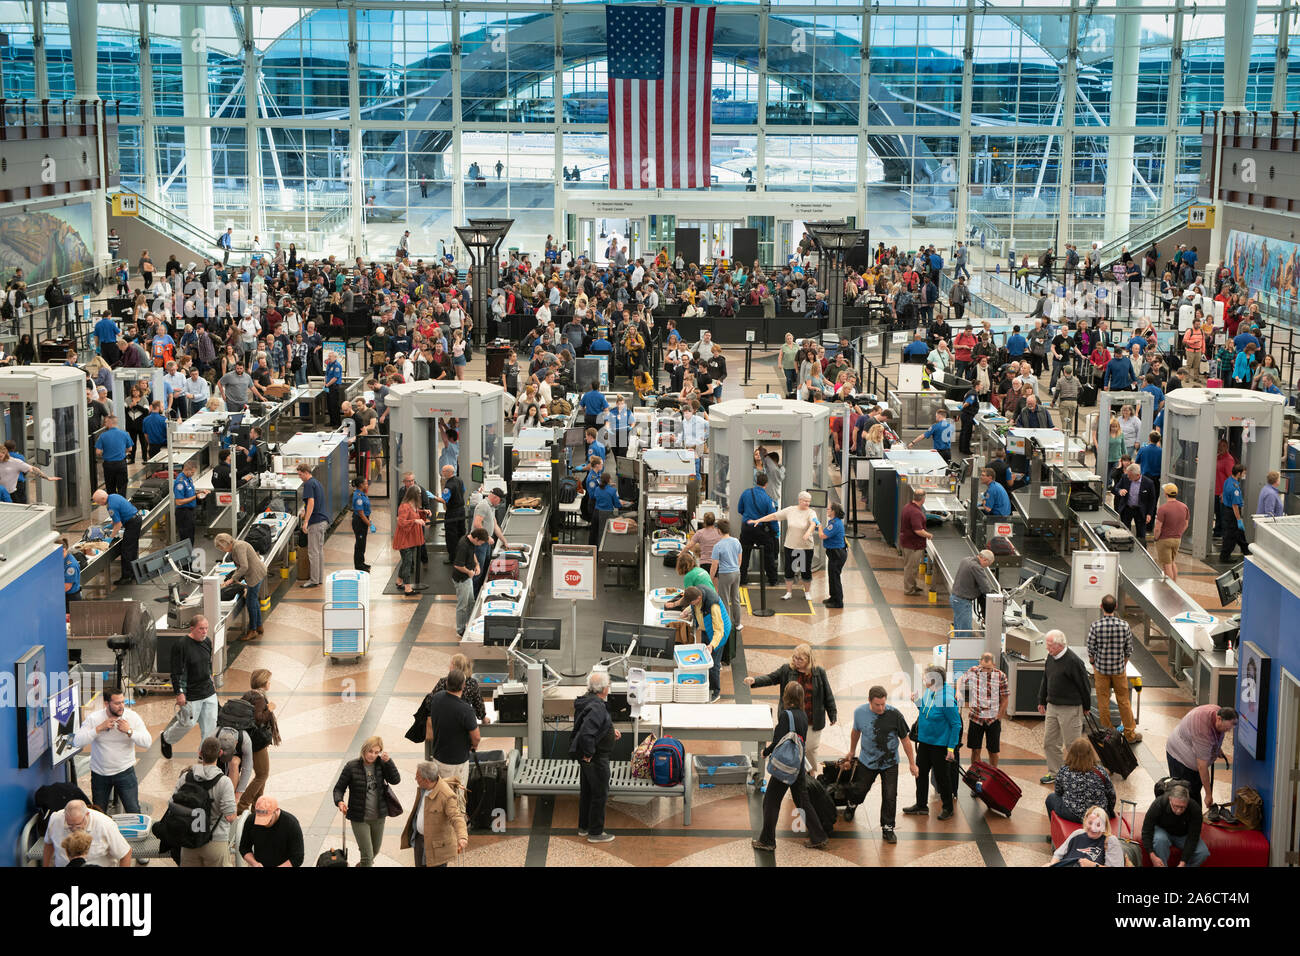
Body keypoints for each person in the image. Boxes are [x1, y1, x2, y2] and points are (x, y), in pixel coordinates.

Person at [753, 681, 829, 852]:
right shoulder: (802, 715)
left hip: (786, 767)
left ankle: (767, 840)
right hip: (798, 764)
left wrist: (766, 751)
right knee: (802, 800)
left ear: (786, 696)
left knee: (771, 802)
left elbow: (778, 739)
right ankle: (819, 836)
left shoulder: (786, 715)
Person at [841, 685, 917, 845]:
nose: (881, 708)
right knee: (860, 789)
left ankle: (888, 827)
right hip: (867, 760)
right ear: (869, 701)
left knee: (890, 795)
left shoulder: (895, 714)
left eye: (883, 704)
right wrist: (851, 751)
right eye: (877, 705)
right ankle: (852, 804)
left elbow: (905, 740)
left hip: (890, 763)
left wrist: (912, 763)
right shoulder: (859, 713)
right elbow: (856, 732)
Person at [744, 644, 836, 769]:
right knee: (789, 747)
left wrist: (832, 713)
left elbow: (827, 694)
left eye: (800, 659)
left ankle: (811, 773)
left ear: (809, 660)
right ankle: (791, 772)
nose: (796, 661)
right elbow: (771, 678)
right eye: (795, 658)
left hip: (812, 720)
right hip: (792, 719)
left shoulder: (819, 672)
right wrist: (755, 680)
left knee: (810, 749)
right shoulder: (787, 670)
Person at [71, 685, 152, 814]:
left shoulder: (132, 717)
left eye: (123, 702)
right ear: (106, 703)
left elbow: (147, 742)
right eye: (117, 703)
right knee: (99, 814)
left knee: (133, 810)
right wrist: (98, 729)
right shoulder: (95, 718)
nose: (121, 706)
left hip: (125, 772)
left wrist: (129, 731)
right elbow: (77, 741)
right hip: (100, 775)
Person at [902, 665, 961, 820]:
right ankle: (921, 805)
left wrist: (951, 748)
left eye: (926, 677)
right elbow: (926, 710)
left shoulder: (947, 699)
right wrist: (917, 701)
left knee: (942, 778)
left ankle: (948, 808)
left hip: (940, 745)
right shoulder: (929, 691)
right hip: (925, 741)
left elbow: (956, 724)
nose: (923, 679)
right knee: (920, 773)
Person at [333, 736, 402, 867]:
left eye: (377, 752)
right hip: (359, 818)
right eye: (370, 751)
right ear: (364, 750)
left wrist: (389, 762)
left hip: (378, 818)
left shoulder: (381, 764)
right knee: (368, 856)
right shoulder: (351, 766)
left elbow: (396, 780)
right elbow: (338, 788)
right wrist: (340, 802)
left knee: (374, 852)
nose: (373, 755)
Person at [1037, 630, 1093, 784]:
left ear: (1059, 645)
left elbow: (1084, 686)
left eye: (1049, 645)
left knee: (1073, 745)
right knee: (1050, 742)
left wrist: (1086, 706)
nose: (1047, 648)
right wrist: (1042, 700)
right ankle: (1055, 772)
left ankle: (1078, 775)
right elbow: (1046, 678)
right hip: (1052, 706)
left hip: (1070, 708)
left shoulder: (1074, 662)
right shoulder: (1051, 657)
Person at [571, 669, 620, 843]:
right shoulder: (598, 707)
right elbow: (586, 734)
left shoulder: (587, 701)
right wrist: (589, 754)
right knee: (599, 793)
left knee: (587, 792)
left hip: (589, 757)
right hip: (596, 758)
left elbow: (589, 726)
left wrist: (609, 731)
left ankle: (584, 827)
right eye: (608, 685)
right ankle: (596, 833)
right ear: (604, 689)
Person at [173, 736, 238, 867]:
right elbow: (230, 817)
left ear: (200, 753)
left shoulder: (185, 777)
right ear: (220, 753)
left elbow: (174, 806)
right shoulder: (224, 782)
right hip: (216, 841)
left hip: (189, 841)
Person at [1086, 593, 1142, 743]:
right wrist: (1122, 664)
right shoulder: (1124, 625)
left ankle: (1108, 733)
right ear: (1116, 607)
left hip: (1101, 670)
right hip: (1118, 670)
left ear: (1101, 606)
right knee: (1123, 701)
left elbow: (1090, 648)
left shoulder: (1095, 626)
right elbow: (1128, 649)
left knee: (1103, 702)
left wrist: (1093, 663)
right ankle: (1130, 734)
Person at [160, 615, 217, 759]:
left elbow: (208, 663)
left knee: (210, 725)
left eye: (206, 628)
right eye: (201, 629)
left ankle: (204, 754)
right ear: (192, 628)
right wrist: (179, 693)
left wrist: (211, 678)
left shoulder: (207, 642)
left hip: (208, 691)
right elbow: (176, 672)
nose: (204, 632)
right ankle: (166, 738)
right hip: (191, 693)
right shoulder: (181, 646)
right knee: (187, 724)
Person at [748, 490, 818, 601]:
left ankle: (807, 592)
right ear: (799, 500)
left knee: (805, 570)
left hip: (805, 547)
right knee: (789, 570)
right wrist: (759, 520)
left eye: (809, 501)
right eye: (805, 501)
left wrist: (808, 532)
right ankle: (788, 592)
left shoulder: (811, 512)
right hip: (790, 546)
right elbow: (774, 516)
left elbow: (813, 523)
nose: (807, 503)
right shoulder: (790, 510)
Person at [1165, 705, 1237, 807]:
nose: (1227, 731)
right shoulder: (1202, 730)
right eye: (1225, 728)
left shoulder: (1217, 711)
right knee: (1185, 795)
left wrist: (1216, 748)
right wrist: (1208, 795)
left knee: (1194, 791)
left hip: (1189, 744)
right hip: (1180, 758)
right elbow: (1201, 766)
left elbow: (1215, 734)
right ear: (1219, 718)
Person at [400, 762, 469, 865]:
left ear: (426, 780)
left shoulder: (446, 795)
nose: (415, 779)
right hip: (420, 841)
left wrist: (462, 836)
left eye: (417, 777)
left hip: (437, 848)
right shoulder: (424, 788)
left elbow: (456, 817)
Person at [235, 668, 280, 814]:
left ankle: (257, 807)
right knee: (262, 774)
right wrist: (270, 709)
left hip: (247, 739)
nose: (270, 684)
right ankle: (242, 806)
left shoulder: (248, 695)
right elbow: (259, 718)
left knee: (261, 774)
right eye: (269, 681)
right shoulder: (260, 698)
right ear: (264, 682)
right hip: (257, 742)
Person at [1045, 734, 1117, 824]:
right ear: (1090, 754)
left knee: (1051, 798)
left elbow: (1058, 792)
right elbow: (1112, 795)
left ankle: (1055, 833)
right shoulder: (1101, 771)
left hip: (1073, 815)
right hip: (1097, 814)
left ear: (1071, 753)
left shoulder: (1064, 771)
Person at [426, 669, 480, 786]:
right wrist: (474, 745)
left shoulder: (436, 699)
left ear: (446, 683)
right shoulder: (466, 710)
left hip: (439, 757)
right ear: (463, 685)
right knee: (457, 797)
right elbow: (476, 736)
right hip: (458, 762)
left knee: (441, 793)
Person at [678, 585, 731, 702]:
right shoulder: (696, 593)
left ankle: (715, 692)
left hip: (719, 633)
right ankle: (706, 682)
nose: (691, 604)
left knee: (713, 664)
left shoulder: (713, 606)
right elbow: (692, 605)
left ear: (699, 598)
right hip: (707, 628)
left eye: (692, 603)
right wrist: (686, 611)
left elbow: (719, 630)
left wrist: (712, 645)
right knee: (705, 657)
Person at [43, 799, 132, 868]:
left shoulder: (106, 825)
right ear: (64, 815)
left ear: (87, 815)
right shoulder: (55, 819)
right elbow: (48, 844)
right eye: (70, 825)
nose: (74, 829)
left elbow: (125, 853)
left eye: (78, 825)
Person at [956, 652, 1008, 768]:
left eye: (988, 668)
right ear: (980, 664)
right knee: (975, 749)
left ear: (994, 665)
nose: (985, 671)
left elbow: (1005, 699)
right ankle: (975, 773)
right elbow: (961, 679)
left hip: (992, 719)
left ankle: (993, 775)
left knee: (993, 750)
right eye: (983, 667)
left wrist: (999, 717)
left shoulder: (1001, 676)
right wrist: (958, 691)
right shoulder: (974, 671)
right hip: (976, 718)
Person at [214, 532, 267, 640]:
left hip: (255, 575)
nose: (222, 550)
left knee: (250, 602)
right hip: (255, 573)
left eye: (221, 548)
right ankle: (259, 626)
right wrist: (234, 578)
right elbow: (240, 566)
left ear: (226, 544)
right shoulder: (236, 547)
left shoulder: (239, 547)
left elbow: (244, 566)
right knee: (253, 600)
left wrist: (232, 579)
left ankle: (253, 630)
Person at [1142, 784, 1209, 867]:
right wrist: (1152, 855)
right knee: (1160, 840)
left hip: (1184, 835)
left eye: (1183, 807)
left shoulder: (1195, 809)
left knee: (1203, 852)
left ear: (1187, 802)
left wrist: (1183, 862)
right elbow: (1146, 830)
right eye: (1176, 806)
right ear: (1170, 799)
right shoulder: (1158, 804)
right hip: (1163, 831)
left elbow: (1193, 837)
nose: (1178, 811)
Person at [737, 471, 779, 587]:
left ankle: (742, 579)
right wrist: (775, 532)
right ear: (766, 484)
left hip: (747, 528)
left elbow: (739, 509)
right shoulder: (767, 499)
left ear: (756, 481)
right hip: (761, 530)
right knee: (768, 555)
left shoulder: (746, 493)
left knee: (744, 554)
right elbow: (772, 517)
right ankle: (772, 579)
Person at [91, 489, 141, 586]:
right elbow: (116, 518)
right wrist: (111, 525)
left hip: (132, 523)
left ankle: (126, 577)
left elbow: (118, 525)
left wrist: (110, 538)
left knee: (127, 550)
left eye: (97, 502)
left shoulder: (111, 506)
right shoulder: (113, 496)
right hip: (135, 519)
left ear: (102, 498)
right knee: (132, 549)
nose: (97, 504)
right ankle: (133, 573)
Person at [1047, 805, 1124, 867]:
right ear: (1085, 821)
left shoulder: (1110, 841)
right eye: (1090, 823)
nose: (1093, 828)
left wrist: (1093, 865)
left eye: (1098, 825)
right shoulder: (1077, 834)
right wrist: (1052, 864)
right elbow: (1058, 855)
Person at [239, 796, 303, 867]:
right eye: (260, 819)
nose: (264, 824)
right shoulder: (251, 820)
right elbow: (244, 848)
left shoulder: (291, 824)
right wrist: (254, 863)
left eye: (268, 820)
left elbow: (298, 857)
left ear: (276, 810)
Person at [394, 485, 430, 596]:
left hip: (411, 539)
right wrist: (415, 521)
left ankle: (399, 581)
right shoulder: (404, 506)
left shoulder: (413, 505)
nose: (420, 495)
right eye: (419, 493)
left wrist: (424, 512)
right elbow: (401, 522)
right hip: (405, 539)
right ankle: (408, 588)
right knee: (408, 563)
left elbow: (414, 514)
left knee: (406, 561)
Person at [297, 463, 329, 588]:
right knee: (319, 551)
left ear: (306, 472)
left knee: (313, 552)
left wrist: (306, 521)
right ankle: (319, 577)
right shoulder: (317, 483)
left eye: (300, 475)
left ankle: (314, 580)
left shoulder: (309, 484)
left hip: (315, 522)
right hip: (322, 521)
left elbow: (311, 502)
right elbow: (315, 502)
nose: (300, 477)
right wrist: (305, 511)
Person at [949, 549, 995, 633]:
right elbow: (985, 588)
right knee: (965, 631)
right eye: (987, 564)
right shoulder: (976, 567)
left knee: (959, 628)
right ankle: (964, 646)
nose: (985, 567)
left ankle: (958, 645)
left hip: (955, 598)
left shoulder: (966, 560)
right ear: (985, 560)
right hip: (963, 602)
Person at [452, 528, 487, 635]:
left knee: (471, 601)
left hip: (468, 578)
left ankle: (471, 623)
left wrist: (477, 564)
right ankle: (461, 629)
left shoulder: (470, 539)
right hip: (462, 579)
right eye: (480, 543)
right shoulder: (463, 545)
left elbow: (472, 554)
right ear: (476, 538)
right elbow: (457, 565)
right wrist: (468, 572)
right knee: (462, 605)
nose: (480, 545)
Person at [711, 519, 743, 635]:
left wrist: (711, 577)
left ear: (719, 530)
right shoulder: (736, 542)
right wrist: (736, 568)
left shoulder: (718, 546)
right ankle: (738, 624)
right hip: (736, 573)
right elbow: (740, 559)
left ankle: (727, 625)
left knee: (724, 600)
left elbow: (715, 565)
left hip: (725, 574)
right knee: (735, 599)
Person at [899, 489, 933, 596]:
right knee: (911, 567)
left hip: (907, 542)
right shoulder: (915, 512)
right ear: (923, 499)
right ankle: (909, 590)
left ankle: (912, 585)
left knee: (911, 566)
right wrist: (929, 535)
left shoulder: (908, 507)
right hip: (912, 545)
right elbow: (918, 530)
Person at [1152, 483, 1189, 580]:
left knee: (1166, 565)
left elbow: (1157, 528)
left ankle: (1170, 589)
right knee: (1172, 562)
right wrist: (1179, 533)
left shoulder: (1163, 509)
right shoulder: (1184, 507)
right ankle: (1175, 584)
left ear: (1165, 494)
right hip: (1177, 539)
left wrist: (1156, 538)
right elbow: (1186, 524)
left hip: (1164, 540)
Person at [1115, 463, 1157, 544]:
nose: (1128, 477)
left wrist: (1149, 514)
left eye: (1130, 476)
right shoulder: (1125, 478)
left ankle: (1142, 552)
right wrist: (1120, 491)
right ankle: (1125, 546)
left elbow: (1152, 500)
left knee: (1141, 534)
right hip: (1127, 509)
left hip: (1140, 511)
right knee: (1124, 532)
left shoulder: (1149, 483)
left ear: (1137, 475)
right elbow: (1115, 488)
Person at [94, 415, 132, 498]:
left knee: (110, 488)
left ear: (109, 423)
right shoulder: (124, 434)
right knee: (122, 487)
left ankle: (112, 506)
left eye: (105, 422)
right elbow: (130, 448)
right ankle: (122, 505)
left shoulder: (103, 436)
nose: (104, 424)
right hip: (121, 464)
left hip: (108, 465)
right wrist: (121, 451)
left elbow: (98, 452)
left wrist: (105, 452)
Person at [819, 503, 847, 608]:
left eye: (829, 509)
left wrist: (819, 526)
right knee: (832, 576)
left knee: (835, 577)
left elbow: (823, 535)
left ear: (833, 511)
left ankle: (838, 602)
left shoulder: (835, 524)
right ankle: (833, 597)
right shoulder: (833, 522)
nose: (827, 510)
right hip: (834, 554)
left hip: (837, 554)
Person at [1219, 463, 1249, 561]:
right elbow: (1235, 506)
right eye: (1244, 473)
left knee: (1239, 533)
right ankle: (1224, 557)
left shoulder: (1228, 481)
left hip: (1226, 510)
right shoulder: (1234, 488)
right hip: (1232, 513)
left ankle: (1246, 551)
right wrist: (1239, 520)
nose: (1244, 475)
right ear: (1239, 474)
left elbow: (1222, 495)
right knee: (1230, 536)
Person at [172, 460, 205, 548]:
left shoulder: (188, 478)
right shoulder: (180, 482)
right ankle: (185, 559)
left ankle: (189, 557)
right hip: (183, 513)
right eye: (192, 472)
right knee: (185, 537)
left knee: (191, 536)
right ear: (187, 470)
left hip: (190, 511)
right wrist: (195, 497)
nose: (193, 474)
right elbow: (178, 501)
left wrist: (200, 492)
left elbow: (190, 492)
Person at [439, 463, 466, 561]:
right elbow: (463, 490)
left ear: (448, 473)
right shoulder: (459, 480)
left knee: (451, 535)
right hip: (461, 511)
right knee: (461, 532)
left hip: (452, 512)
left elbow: (444, 500)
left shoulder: (449, 485)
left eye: (443, 471)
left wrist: (433, 497)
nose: (442, 473)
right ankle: (461, 556)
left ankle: (452, 558)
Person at [351, 477, 372, 571]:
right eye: (366, 483)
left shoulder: (362, 494)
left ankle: (361, 562)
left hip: (363, 520)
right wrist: (369, 524)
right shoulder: (358, 496)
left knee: (362, 543)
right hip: (359, 521)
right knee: (359, 544)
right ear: (361, 485)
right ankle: (358, 565)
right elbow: (361, 513)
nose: (367, 485)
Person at [62, 537, 82, 611]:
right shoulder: (63, 559)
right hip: (65, 596)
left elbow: (67, 587)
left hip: (71, 599)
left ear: (63, 550)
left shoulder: (70, 566)